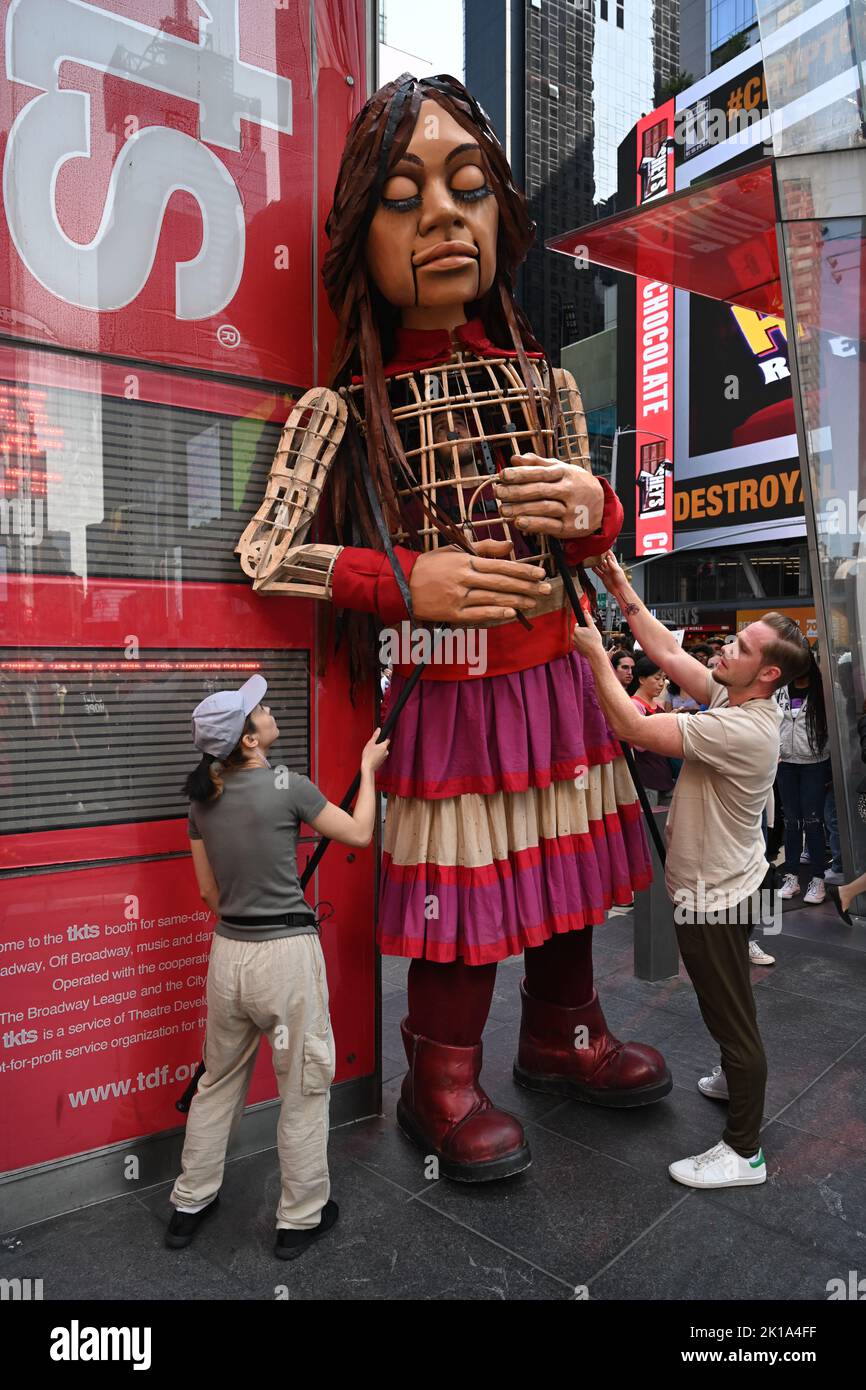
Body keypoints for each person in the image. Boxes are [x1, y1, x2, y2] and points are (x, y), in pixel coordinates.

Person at [237, 73, 670, 1183]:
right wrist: (405, 581)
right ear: (358, 238)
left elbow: (596, 551)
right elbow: (268, 552)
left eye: (468, 188)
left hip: (551, 681)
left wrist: (595, 509)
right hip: (445, 686)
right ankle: (441, 1076)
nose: (441, 214)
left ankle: (561, 1030)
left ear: (498, 218)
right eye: (401, 196)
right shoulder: (345, 407)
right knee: (461, 895)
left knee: (563, 877)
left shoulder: (539, 382)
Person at [575, 553, 812, 1190]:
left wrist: (594, 653)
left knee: (729, 1015)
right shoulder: (736, 697)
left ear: (765, 674)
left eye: (738, 646)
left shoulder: (742, 729)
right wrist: (618, 585)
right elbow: (667, 651)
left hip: (715, 896)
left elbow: (631, 725)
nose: (723, 649)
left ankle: (744, 1152)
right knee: (727, 1000)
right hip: (729, 882)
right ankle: (734, 1082)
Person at [166, 674, 390, 1259]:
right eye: (260, 709)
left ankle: (189, 1202)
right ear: (248, 741)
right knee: (304, 1084)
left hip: (228, 957)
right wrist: (368, 769)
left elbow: (211, 896)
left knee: (217, 1082)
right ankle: (299, 1217)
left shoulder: (201, 799)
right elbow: (361, 834)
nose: (268, 710)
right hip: (286, 958)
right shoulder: (287, 783)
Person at [776, 649, 830, 905]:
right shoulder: (779, 691)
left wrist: (825, 754)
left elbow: (836, 727)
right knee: (792, 822)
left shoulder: (825, 692)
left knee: (813, 822)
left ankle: (818, 878)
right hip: (786, 763)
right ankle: (792, 876)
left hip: (814, 764)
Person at [627, 657, 675, 805]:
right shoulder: (634, 705)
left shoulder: (657, 705)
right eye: (657, 678)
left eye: (664, 678)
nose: (661, 684)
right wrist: (665, 723)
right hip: (646, 776)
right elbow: (639, 745)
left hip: (663, 773)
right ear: (641, 679)